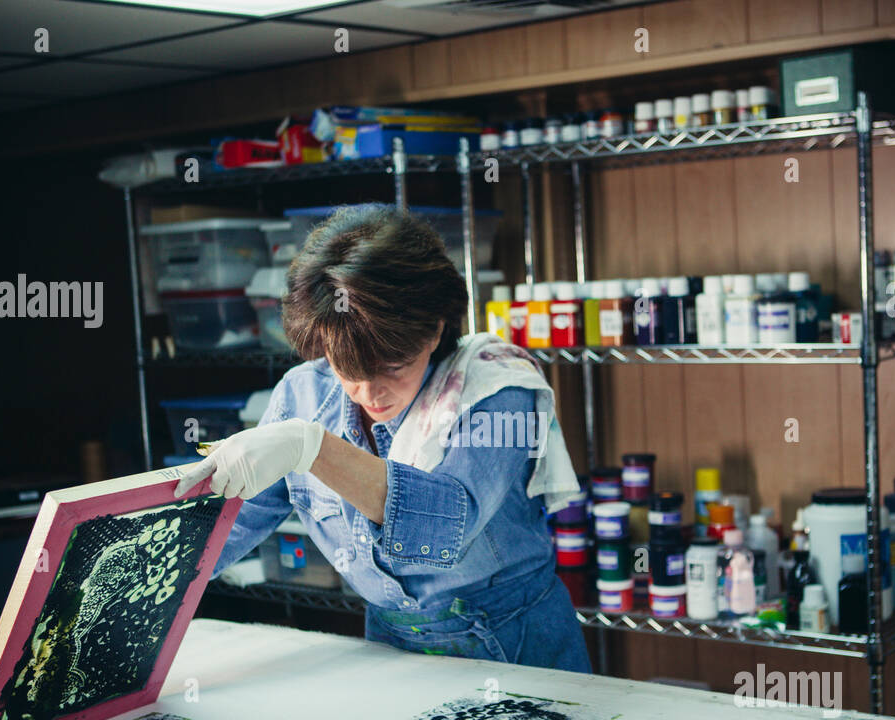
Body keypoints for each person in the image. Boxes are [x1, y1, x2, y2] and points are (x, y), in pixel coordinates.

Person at [175, 204, 590, 673]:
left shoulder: (497, 390)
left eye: (393, 367)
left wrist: (314, 448)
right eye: (347, 368)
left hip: (514, 645)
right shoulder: (303, 394)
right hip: (391, 645)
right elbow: (235, 521)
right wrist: (137, 587)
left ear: (435, 329)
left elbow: (445, 529)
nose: (369, 393)